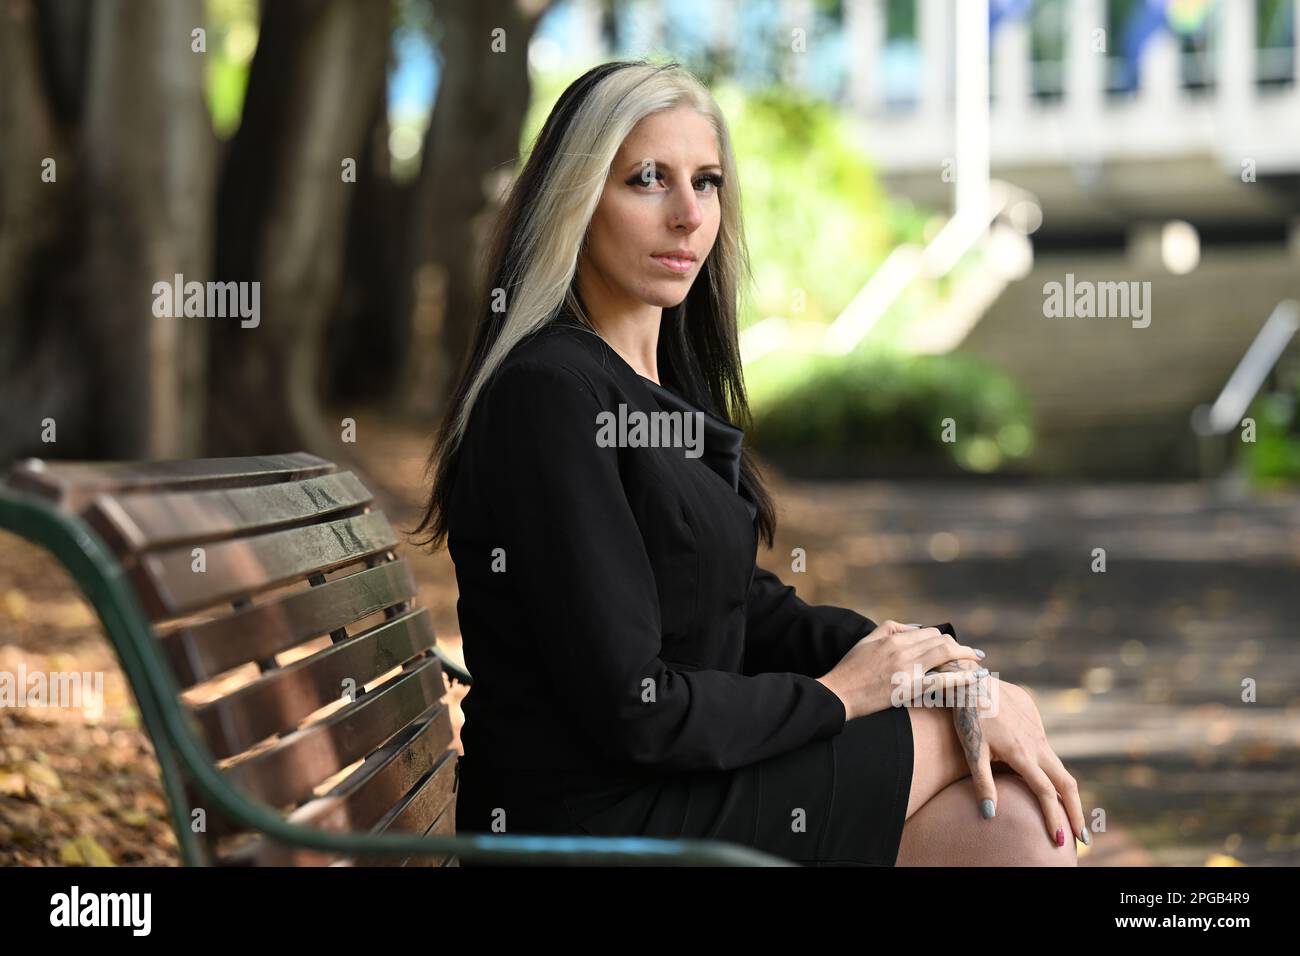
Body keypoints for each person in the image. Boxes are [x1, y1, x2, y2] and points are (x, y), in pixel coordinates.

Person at [409, 59, 1083, 866]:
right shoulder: (549, 396)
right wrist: (841, 698)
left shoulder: (654, 390)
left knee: (1009, 827)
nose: (688, 215)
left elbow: (741, 606)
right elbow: (637, 706)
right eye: (648, 180)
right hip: (593, 822)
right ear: (578, 202)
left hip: (672, 785)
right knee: (982, 746)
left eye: (708, 182)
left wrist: (930, 665)